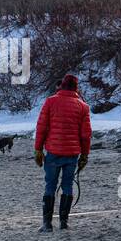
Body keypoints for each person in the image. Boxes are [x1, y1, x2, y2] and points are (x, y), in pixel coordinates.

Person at [33, 74, 91, 232]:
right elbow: (86, 135)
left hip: (53, 151)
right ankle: (64, 223)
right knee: (67, 186)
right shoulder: (83, 106)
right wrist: (85, 155)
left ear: (62, 86)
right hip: (72, 154)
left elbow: (42, 127)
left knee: (50, 186)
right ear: (76, 88)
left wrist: (38, 149)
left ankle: (47, 224)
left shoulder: (50, 101)